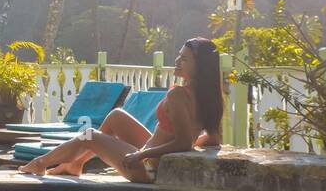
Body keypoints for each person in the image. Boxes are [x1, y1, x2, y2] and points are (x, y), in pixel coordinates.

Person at [19, 37, 223, 183]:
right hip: (152, 158)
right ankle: (76, 163)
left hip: (148, 168)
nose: (177, 61)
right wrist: (192, 140)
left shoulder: (179, 95)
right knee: (116, 116)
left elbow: (183, 142)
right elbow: (213, 138)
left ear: (201, 67)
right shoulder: (209, 97)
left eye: (184, 59)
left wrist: (141, 155)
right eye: (179, 56)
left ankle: (40, 162)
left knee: (89, 135)